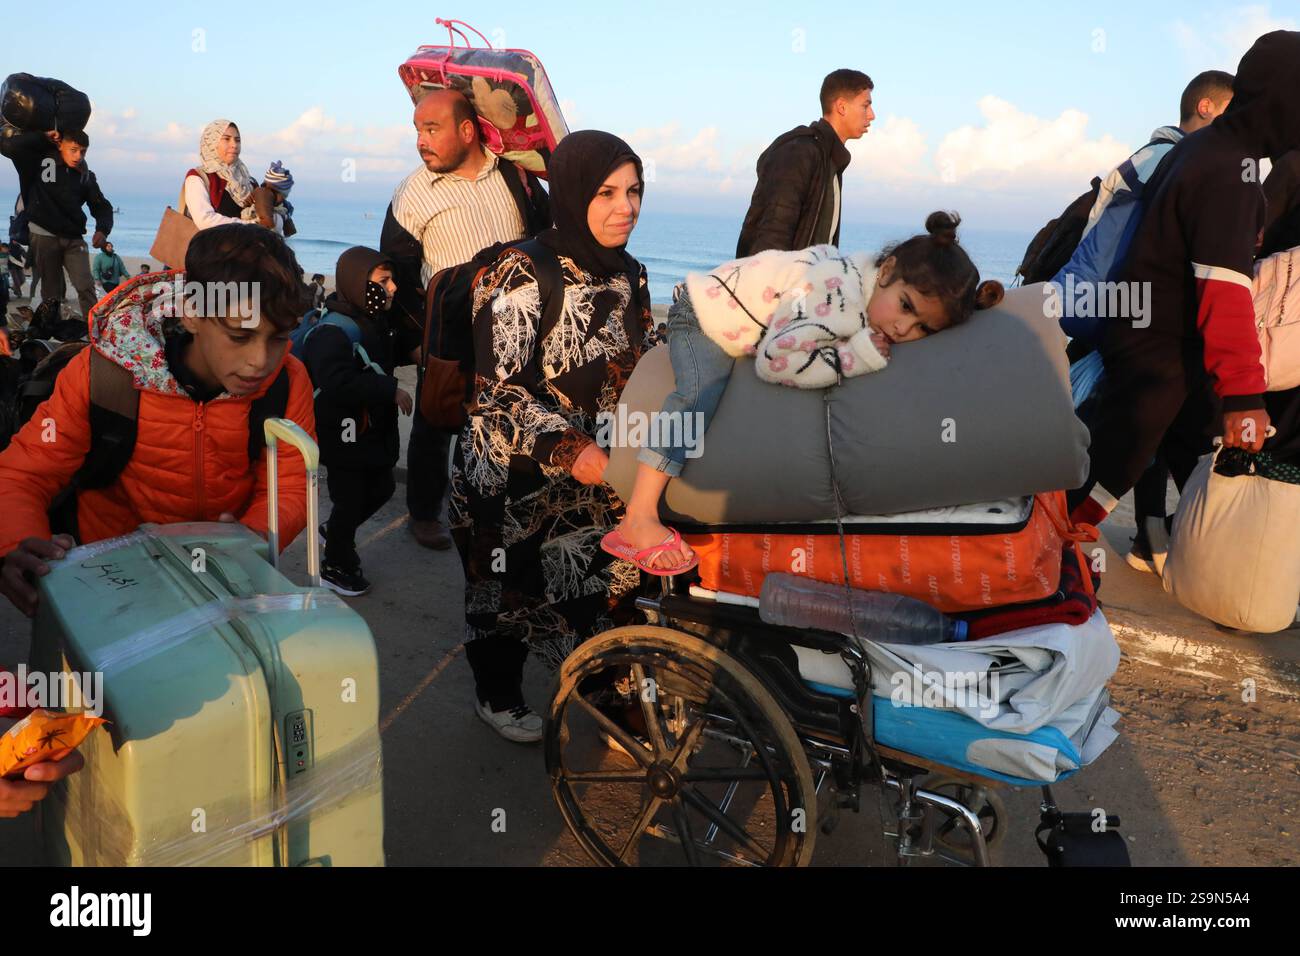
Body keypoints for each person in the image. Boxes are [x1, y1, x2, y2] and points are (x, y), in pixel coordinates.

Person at [607, 213, 1004, 571]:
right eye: (905, 306)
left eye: (922, 328)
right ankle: (638, 515)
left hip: (751, 312)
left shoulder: (867, 282)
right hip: (705, 314)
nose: (903, 329)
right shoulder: (836, 302)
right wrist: (854, 358)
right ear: (887, 270)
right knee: (699, 395)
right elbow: (775, 361)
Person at [449, 130, 654, 742]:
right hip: (511, 474)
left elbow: (639, 361)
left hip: (597, 476)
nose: (628, 206)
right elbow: (499, 391)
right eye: (608, 192)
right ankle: (498, 693)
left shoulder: (631, 274)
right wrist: (571, 448)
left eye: (635, 191)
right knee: (504, 593)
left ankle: (611, 701)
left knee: (608, 590)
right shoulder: (520, 270)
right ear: (570, 195)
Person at [0, 224, 316, 617]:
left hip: (224, 582)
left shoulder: (287, 380)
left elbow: (289, 485)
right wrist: (18, 543)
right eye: (239, 336)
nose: (260, 361)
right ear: (193, 314)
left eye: (279, 337)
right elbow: (23, 474)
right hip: (110, 588)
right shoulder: (105, 373)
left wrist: (247, 538)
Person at [1068, 31, 1300, 533]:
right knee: (1110, 469)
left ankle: (1134, 543)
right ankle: (1039, 557)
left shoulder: (1204, 150)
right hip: (1161, 352)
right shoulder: (1230, 170)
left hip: (1148, 337)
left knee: (1153, 459)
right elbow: (1223, 290)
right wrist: (1244, 397)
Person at [1054, 69, 1234, 575]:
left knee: (1145, 429)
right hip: (1132, 313)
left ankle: (1147, 535)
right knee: (1143, 430)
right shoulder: (1171, 162)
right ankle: (1068, 536)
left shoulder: (1150, 156)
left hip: (1117, 309)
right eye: (1229, 112)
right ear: (1205, 108)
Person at [382, 88, 551, 551]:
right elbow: (394, 272)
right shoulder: (412, 192)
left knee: (507, 419)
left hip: (515, 330)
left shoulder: (514, 176)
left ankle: (494, 510)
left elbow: (546, 236)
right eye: (417, 130)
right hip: (447, 330)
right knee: (436, 423)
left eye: (431, 129)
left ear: (467, 130)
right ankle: (424, 513)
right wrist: (417, 338)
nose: (421, 140)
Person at [302, 247, 413, 596]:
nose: (392, 288)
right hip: (342, 436)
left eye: (391, 279)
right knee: (349, 498)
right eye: (383, 281)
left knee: (382, 488)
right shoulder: (334, 330)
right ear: (357, 282)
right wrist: (389, 388)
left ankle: (336, 530)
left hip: (369, 433)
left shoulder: (373, 320)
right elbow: (334, 379)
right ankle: (337, 565)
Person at [735, 69, 874, 258]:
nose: (871, 115)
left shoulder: (830, 159)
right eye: (865, 106)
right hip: (778, 283)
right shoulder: (799, 151)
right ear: (842, 107)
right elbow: (772, 234)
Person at [0, 128, 113, 321]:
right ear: (60, 145)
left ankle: (95, 330)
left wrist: (102, 229)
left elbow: (101, 205)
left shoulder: (85, 175)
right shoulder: (38, 162)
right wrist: (40, 136)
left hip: (74, 238)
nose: (78, 156)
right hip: (43, 234)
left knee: (86, 285)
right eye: (73, 149)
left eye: (83, 151)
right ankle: (49, 329)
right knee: (51, 293)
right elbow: (9, 146)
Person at [183, 120, 280, 231]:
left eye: (237, 140)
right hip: (211, 247)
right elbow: (205, 220)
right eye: (227, 139)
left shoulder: (248, 182)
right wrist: (251, 225)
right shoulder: (198, 177)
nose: (234, 145)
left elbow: (270, 222)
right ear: (211, 142)